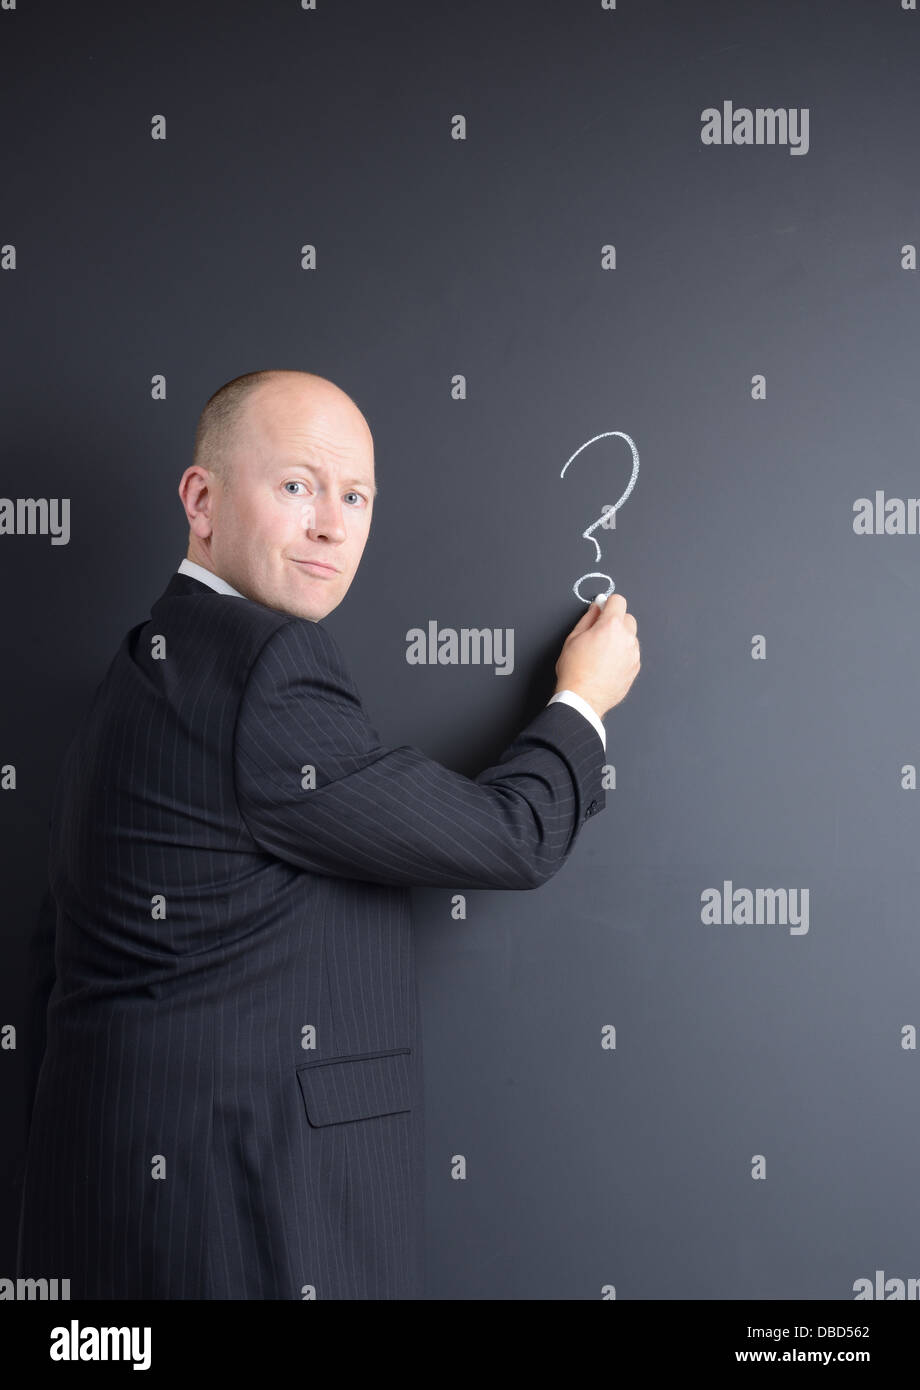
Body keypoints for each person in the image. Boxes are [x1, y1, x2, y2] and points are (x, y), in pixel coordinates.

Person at [16, 369, 640, 1299]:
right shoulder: (265, 664)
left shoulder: (151, 656)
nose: (332, 526)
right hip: (238, 1217)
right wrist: (584, 700)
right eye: (298, 486)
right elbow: (513, 838)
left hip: (121, 1205)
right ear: (201, 499)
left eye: (356, 497)